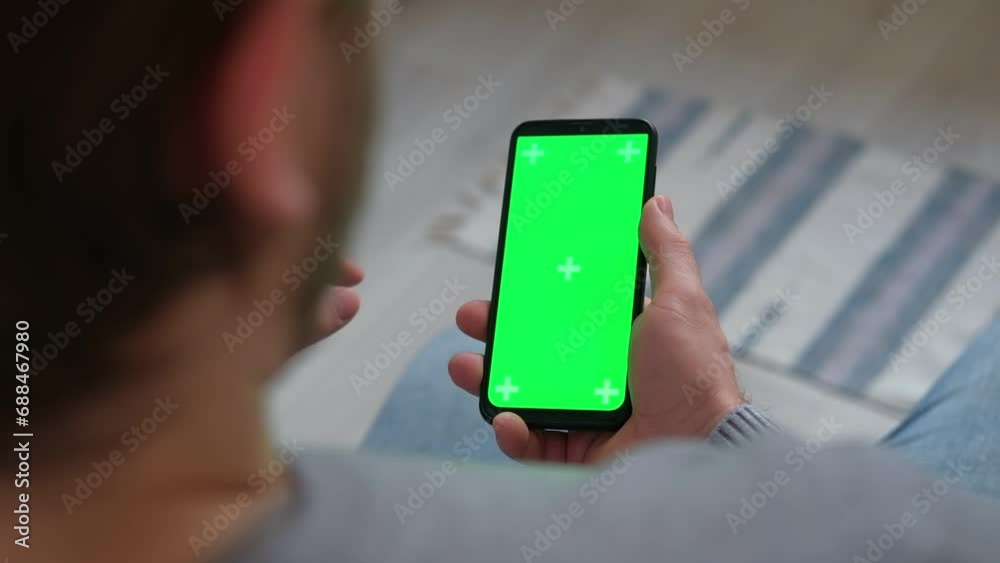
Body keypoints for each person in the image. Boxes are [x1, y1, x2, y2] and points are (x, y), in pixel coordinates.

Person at [5, 1, 998, 562]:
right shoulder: (831, 526)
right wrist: (714, 433)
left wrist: (200, 360)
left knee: (459, 363)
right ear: (248, 99)